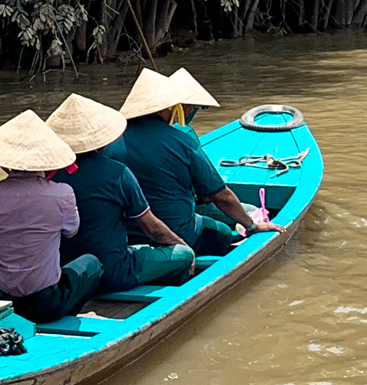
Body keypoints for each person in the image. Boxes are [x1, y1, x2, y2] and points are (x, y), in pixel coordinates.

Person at [110, 69, 281, 257]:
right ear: (168, 108)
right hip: (179, 231)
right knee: (223, 233)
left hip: (124, 233)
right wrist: (253, 226)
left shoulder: (109, 143)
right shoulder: (182, 141)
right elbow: (219, 196)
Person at [46, 94, 194, 292]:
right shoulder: (117, 173)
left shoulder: (47, 178)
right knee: (182, 254)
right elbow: (152, 228)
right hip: (114, 273)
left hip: (67, 271)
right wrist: (185, 247)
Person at [0, 111, 103, 322]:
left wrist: (2, 260)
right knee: (92, 263)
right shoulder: (62, 193)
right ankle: (68, 315)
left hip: (0, 300)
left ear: (5, 163)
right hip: (45, 304)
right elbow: (71, 231)